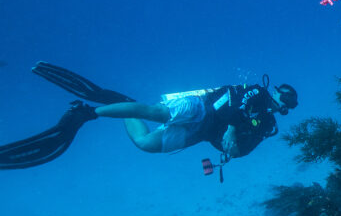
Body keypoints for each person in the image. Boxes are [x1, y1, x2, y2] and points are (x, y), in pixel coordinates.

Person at [0, 62, 297, 169]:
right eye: (282, 92)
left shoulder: (268, 124)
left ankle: (123, 103)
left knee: (145, 145)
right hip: (202, 107)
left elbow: (240, 150)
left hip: (202, 134)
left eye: (287, 101)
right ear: (276, 90)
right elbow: (228, 109)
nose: (280, 98)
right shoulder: (256, 91)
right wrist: (232, 130)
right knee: (157, 112)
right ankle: (87, 113)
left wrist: (231, 146)